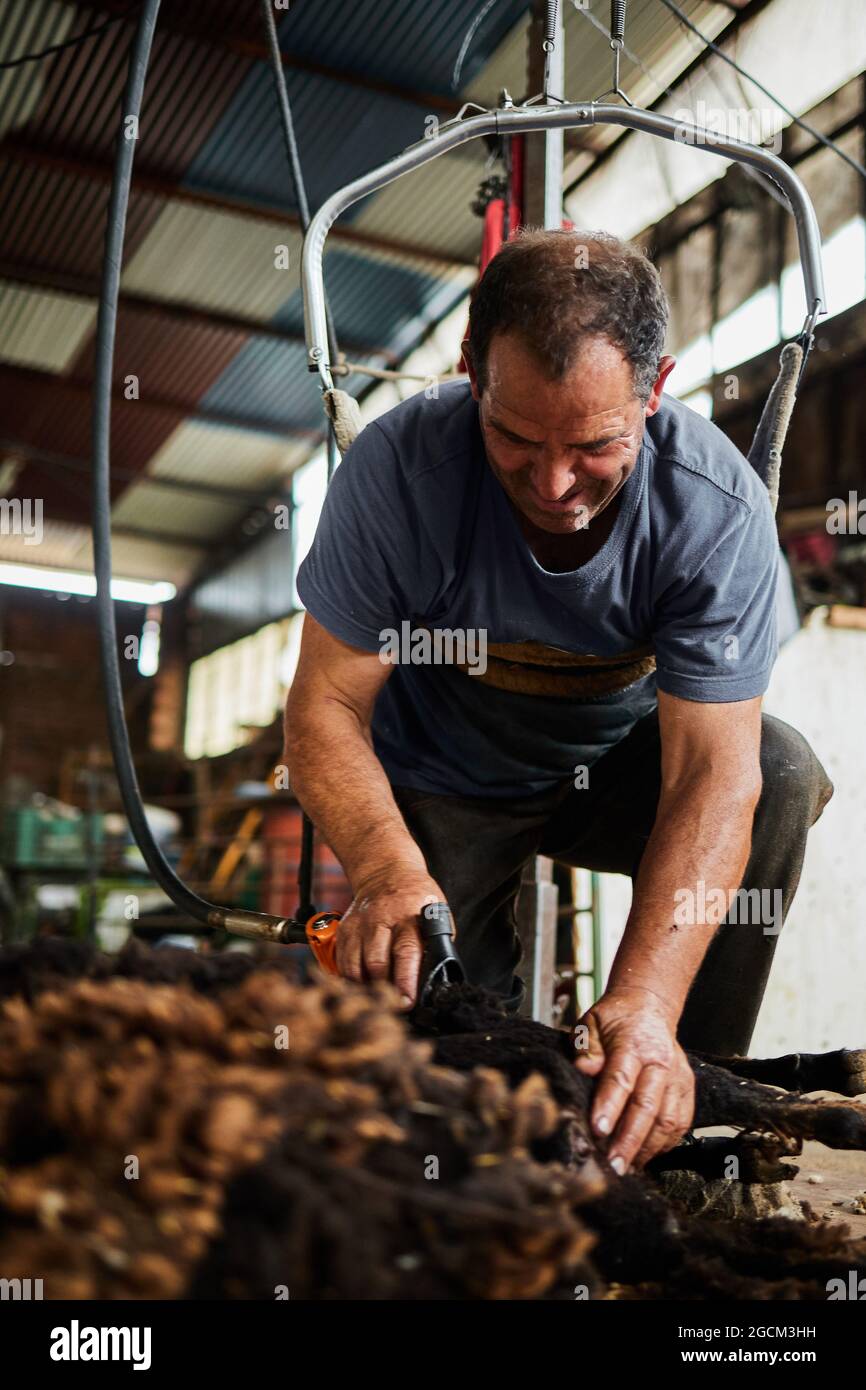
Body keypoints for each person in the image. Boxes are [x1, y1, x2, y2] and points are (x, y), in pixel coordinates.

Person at [285, 229, 832, 1174]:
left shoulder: (712, 510)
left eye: (595, 445)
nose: (553, 486)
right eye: (514, 437)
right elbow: (323, 709)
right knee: (465, 1083)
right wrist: (382, 866)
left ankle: (681, 1090)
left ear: (655, 390)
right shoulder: (396, 475)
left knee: (779, 772)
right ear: (469, 374)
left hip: (617, 774)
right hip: (444, 784)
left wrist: (648, 1001)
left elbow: (711, 772)